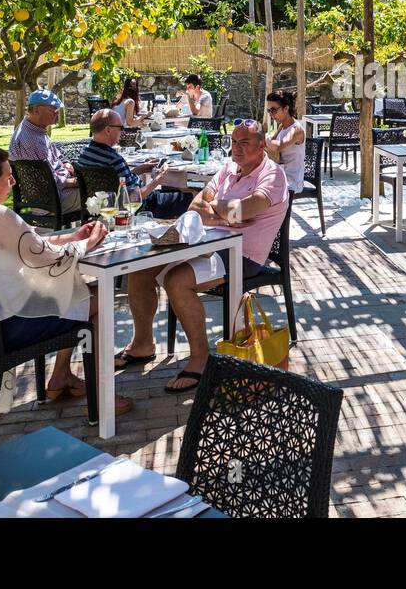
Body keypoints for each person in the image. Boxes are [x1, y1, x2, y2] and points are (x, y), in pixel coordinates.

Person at [0, 146, 132, 414]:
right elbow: (42, 256)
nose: (14, 182)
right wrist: (89, 243)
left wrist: (73, 237)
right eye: (8, 177)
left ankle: (61, 376)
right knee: (99, 298)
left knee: (75, 296)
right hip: (6, 329)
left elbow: (30, 244)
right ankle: (103, 398)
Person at [119, 121, 288, 392]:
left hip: (242, 254)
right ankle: (143, 344)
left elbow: (248, 208)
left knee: (177, 281)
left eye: (244, 143)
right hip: (205, 242)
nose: (237, 148)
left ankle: (200, 359)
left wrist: (217, 207)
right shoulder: (229, 169)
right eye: (234, 142)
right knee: (139, 269)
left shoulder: (273, 175)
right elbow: (196, 204)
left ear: (262, 145)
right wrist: (224, 215)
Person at [76, 109, 194, 218]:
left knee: (174, 192)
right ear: (108, 130)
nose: (122, 131)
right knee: (192, 196)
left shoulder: (85, 154)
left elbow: (113, 181)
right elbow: (131, 199)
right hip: (142, 207)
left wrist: (140, 169)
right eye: (120, 127)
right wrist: (157, 180)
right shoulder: (114, 159)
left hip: (107, 207)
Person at [8, 89, 81, 215]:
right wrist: (78, 181)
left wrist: (66, 163)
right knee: (103, 194)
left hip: (51, 197)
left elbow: (56, 155)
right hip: (51, 202)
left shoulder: (33, 129)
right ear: (36, 110)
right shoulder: (32, 140)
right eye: (52, 108)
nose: (56, 112)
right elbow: (52, 181)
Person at [264, 89, 306, 193]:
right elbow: (270, 144)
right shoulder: (282, 127)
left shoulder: (296, 130)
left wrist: (264, 137)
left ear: (286, 108)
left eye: (273, 110)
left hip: (291, 182)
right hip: (279, 176)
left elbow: (278, 146)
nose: (271, 114)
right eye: (269, 111)